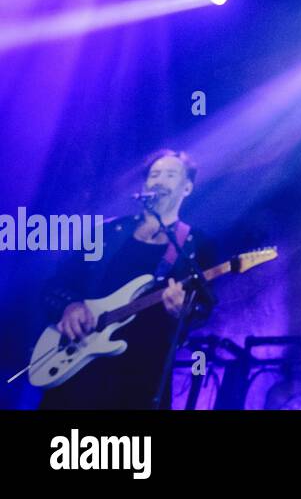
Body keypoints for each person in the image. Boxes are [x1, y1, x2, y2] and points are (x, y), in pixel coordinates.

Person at [39, 149, 216, 410]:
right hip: (78, 367)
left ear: (187, 188)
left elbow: (204, 308)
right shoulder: (108, 232)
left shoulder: (195, 245)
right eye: (154, 175)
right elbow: (57, 284)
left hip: (140, 378)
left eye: (170, 175)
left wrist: (183, 311)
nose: (159, 181)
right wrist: (70, 306)